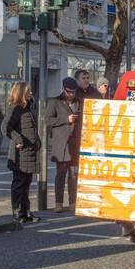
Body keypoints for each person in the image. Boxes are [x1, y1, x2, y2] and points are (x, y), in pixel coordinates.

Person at [45, 77, 83, 211]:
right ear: (63, 89)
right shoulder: (55, 102)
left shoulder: (79, 101)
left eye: (74, 92)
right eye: (69, 92)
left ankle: (72, 202)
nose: (71, 95)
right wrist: (65, 119)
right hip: (61, 144)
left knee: (73, 174)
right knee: (61, 174)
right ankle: (58, 203)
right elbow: (48, 120)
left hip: (75, 144)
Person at [4, 82, 40, 224]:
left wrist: (37, 141)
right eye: (28, 91)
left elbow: (31, 127)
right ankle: (17, 212)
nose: (31, 93)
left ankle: (26, 212)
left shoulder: (28, 108)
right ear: (21, 93)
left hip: (30, 152)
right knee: (19, 183)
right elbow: (5, 126)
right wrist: (18, 139)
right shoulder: (16, 108)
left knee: (26, 184)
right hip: (20, 153)